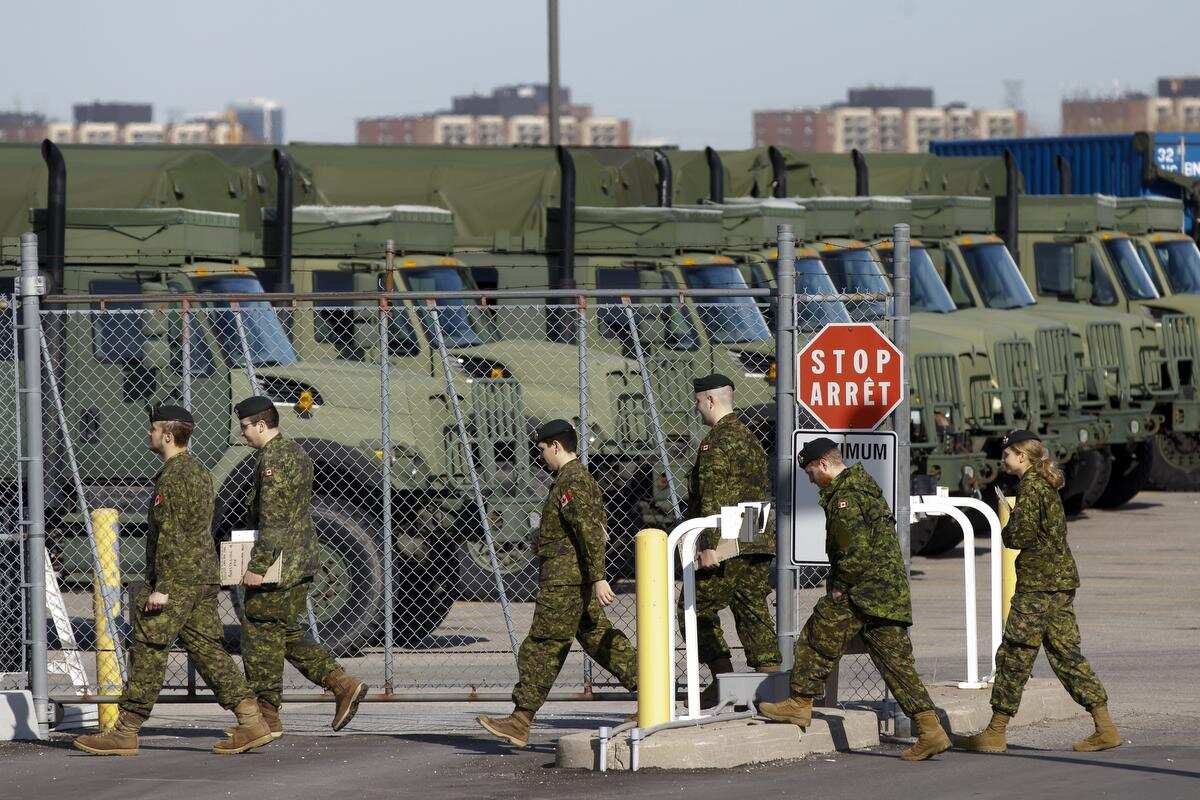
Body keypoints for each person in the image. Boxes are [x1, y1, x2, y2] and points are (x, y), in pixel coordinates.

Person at [73, 405, 272, 756]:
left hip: (177, 581)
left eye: (152, 429)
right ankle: (252, 721)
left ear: (167, 435)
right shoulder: (197, 471)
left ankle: (125, 730)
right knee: (209, 651)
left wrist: (162, 588)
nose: (148, 435)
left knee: (149, 648)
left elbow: (175, 535)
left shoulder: (176, 475)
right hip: (199, 578)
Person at [758, 438, 950, 762]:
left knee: (817, 635)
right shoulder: (862, 484)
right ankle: (930, 729)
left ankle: (799, 703)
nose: (810, 480)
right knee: (896, 665)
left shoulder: (844, 497)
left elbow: (853, 551)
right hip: (886, 593)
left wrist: (839, 586)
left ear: (822, 464)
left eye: (810, 473)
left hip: (862, 590)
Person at [477, 419, 638, 748]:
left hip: (565, 583)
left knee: (542, 644)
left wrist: (599, 577)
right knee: (601, 640)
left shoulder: (573, 481)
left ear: (555, 446)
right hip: (569, 579)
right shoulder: (569, 479)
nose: (542, 456)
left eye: (542, 449)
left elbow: (590, 531)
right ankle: (653, 694)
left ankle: (520, 720)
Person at [959, 430, 1120, 753]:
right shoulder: (1044, 483)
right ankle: (1105, 726)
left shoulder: (1032, 487)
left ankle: (996, 731)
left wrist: (1010, 521)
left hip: (1038, 586)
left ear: (1021, 455)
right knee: (1066, 655)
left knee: (1015, 654)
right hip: (1058, 582)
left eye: (1006, 455)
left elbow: (1021, 536)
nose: (1003, 460)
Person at [234, 395, 367, 738]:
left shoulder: (274, 459)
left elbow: (274, 517)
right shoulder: (295, 452)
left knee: (260, 634)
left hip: (280, 566)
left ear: (261, 425)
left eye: (246, 426)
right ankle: (341, 684)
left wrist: (259, 565)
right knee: (285, 633)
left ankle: (267, 716)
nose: (243, 433)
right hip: (298, 560)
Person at [687, 373, 781, 708]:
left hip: (726, 541)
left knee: (692, 606)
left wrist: (711, 545)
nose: (697, 408)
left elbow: (713, 493)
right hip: (752, 535)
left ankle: (722, 678)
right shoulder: (749, 437)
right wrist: (749, 541)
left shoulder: (716, 440)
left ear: (710, 400)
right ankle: (772, 690)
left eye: (698, 401)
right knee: (752, 607)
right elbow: (756, 493)